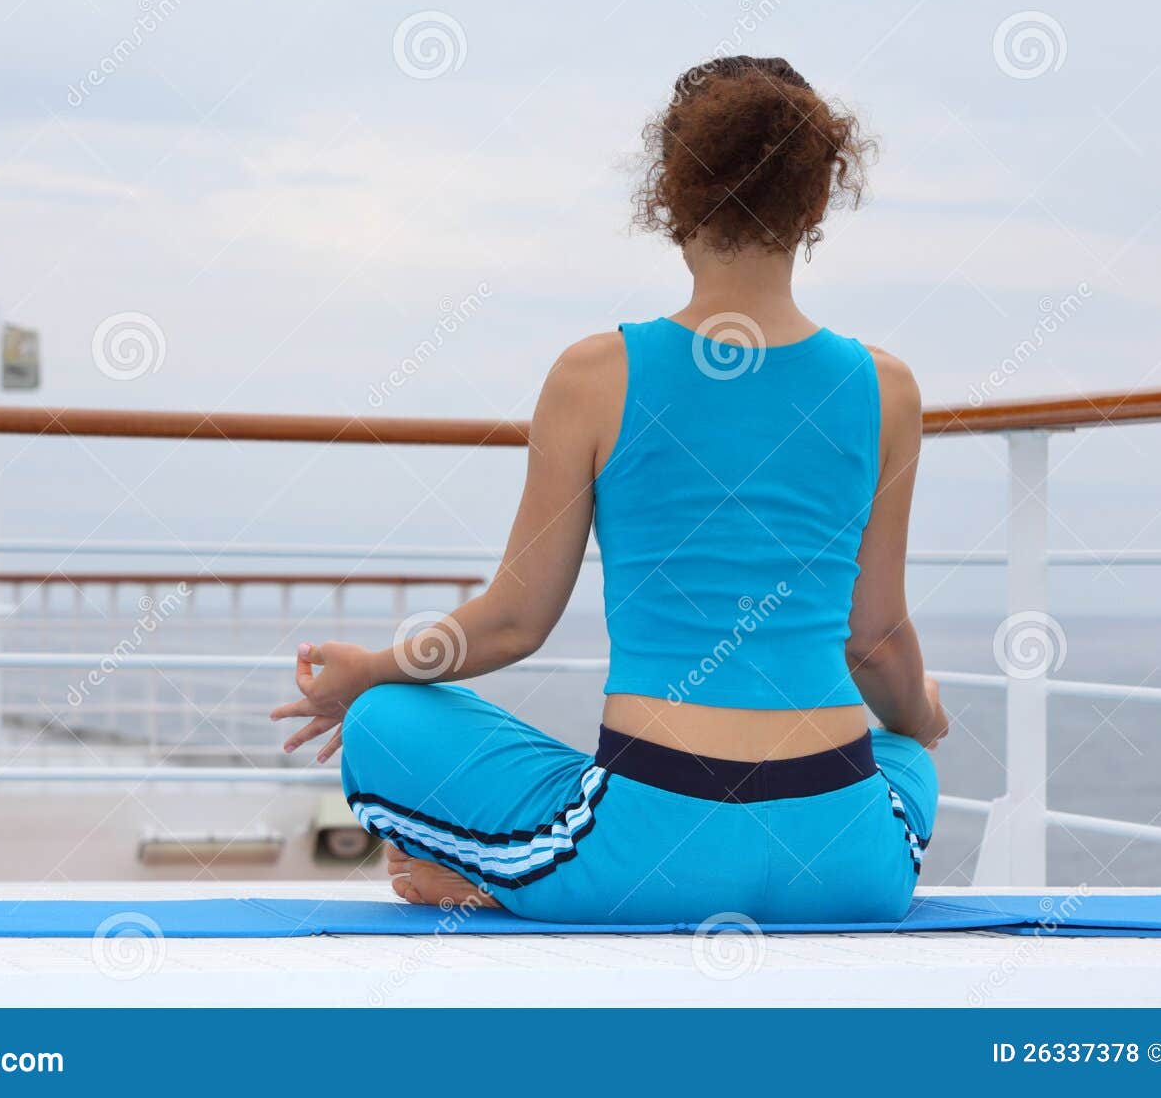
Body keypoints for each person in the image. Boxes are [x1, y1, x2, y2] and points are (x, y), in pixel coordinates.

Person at [271, 55, 946, 924]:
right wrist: (923, 717)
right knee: (909, 752)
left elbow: (515, 620)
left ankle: (499, 879)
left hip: (648, 854)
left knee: (384, 720)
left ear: (670, 197)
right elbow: (878, 646)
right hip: (846, 861)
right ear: (817, 205)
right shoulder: (884, 388)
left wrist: (368, 671)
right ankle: (525, 870)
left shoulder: (596, 375)